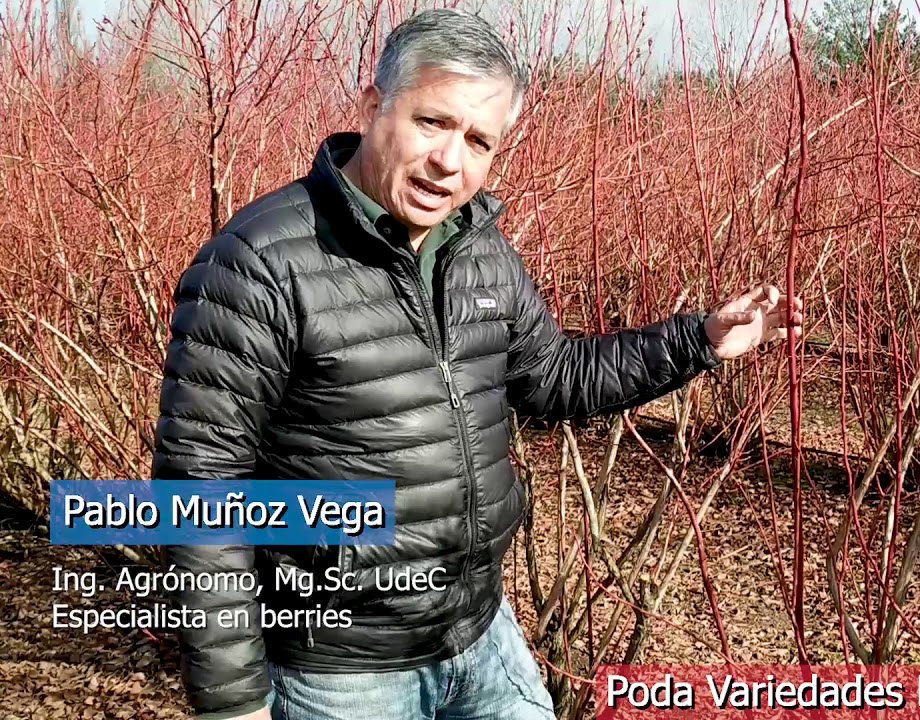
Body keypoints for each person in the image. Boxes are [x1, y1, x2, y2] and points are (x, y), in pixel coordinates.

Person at [152, 8, 803, 720]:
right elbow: (202, 488)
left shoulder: (477, 248)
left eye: (479, 141)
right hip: (342, 669)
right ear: (374, 108)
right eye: (433, 123)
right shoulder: (260, 262)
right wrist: (232, 701)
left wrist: (701, 339)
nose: (451, 162)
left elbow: (555, 377)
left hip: (480, 634)